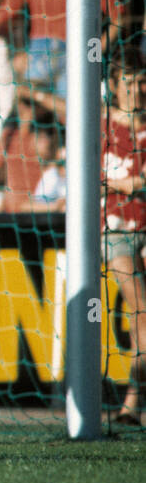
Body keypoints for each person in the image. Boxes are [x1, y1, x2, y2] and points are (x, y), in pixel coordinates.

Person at [103, 48, 146, 425]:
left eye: (142, 81)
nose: (138, 89)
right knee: (141, 311)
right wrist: (123, 183)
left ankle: (132, 406)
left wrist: (136, 183)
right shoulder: (101, 126)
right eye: (129, 83)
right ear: (113, 87)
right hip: (116, 229)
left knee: (139, 320)